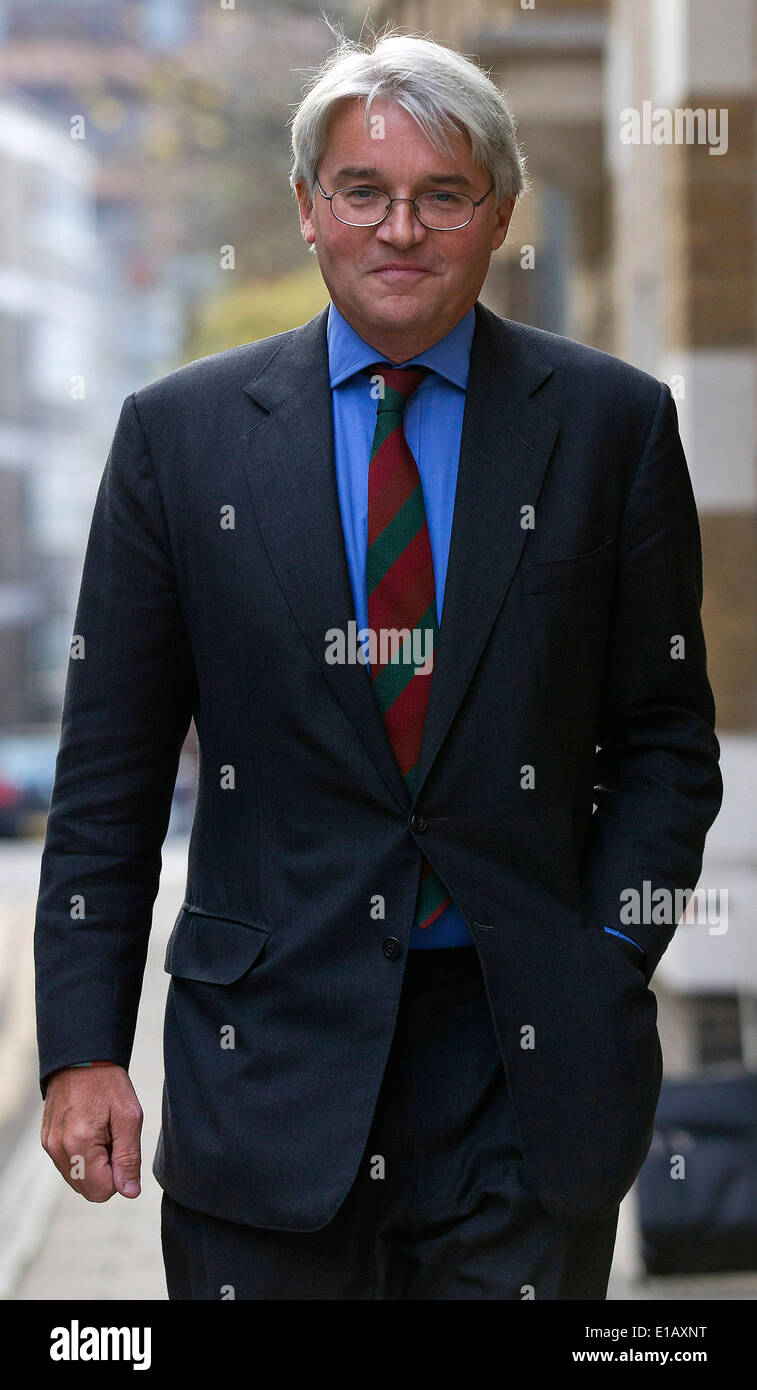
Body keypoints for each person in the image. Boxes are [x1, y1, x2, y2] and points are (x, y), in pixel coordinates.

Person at [35, 31, 723, 1300]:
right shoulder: (177, 441)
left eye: (442, 193)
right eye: (363, 190)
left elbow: (666, 740)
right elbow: (108, 778)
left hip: (520, 1073)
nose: (399, 226)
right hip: (266, 1064)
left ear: (498, 213)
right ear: (308, 209)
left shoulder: (611, 426)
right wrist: (81, 1047)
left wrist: (604, 954)